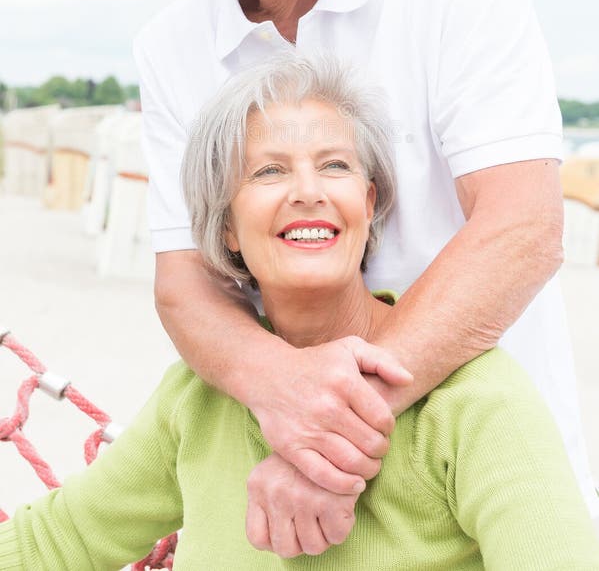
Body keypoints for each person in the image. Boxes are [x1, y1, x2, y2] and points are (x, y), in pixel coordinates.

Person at [130, 0, 597, 553]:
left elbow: (521, 228)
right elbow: (186, 287)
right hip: (289, 512)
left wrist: (329, 433)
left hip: (488, 484)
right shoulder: (170, 48)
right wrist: (282, 396)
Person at [1, 55, 598, 569]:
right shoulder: (199, 397)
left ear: (368, 205)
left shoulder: (475, 399)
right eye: (269, 171)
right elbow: (63, 539)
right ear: (226, 227)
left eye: (335, 165)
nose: (308, 190)